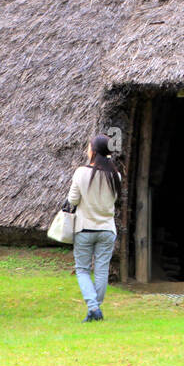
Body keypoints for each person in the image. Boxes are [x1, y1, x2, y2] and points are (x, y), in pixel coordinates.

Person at [68, 134, 122, 322]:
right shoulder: (116, 175)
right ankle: (95, 308)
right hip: (107, 228)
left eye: (89, 147)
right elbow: (114, 199)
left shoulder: (81, 173)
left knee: (82, 269)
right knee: (101, 269)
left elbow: (72, 200)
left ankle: (93, 307)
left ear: (94, 151)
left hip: (84, 228)